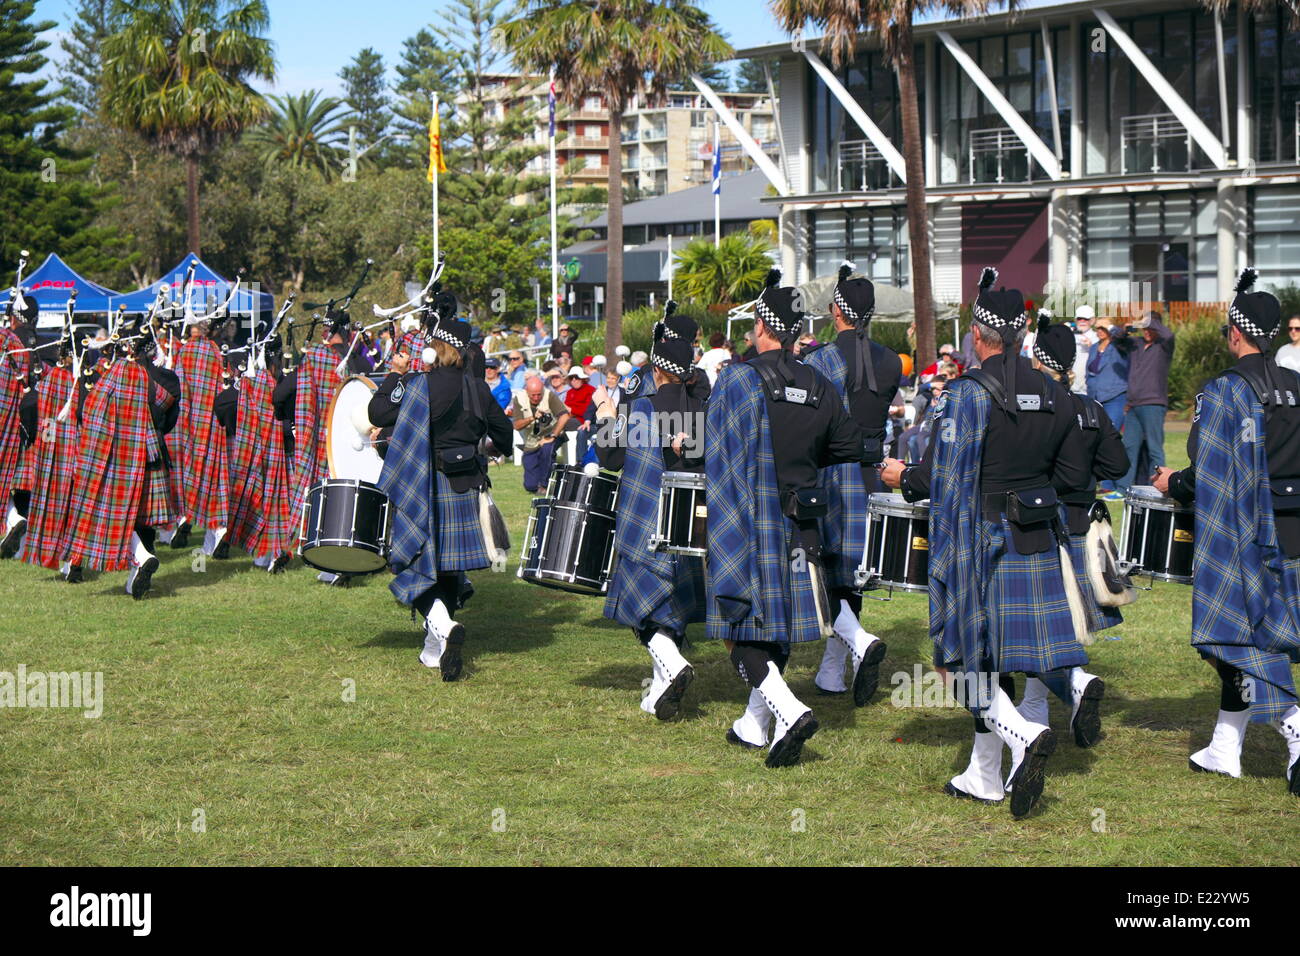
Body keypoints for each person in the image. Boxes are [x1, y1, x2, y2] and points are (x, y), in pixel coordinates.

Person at [880, 267, 1091, 817]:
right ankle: (983, 773)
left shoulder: (967, 394)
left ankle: (1021, 736)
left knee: (959, 662)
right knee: (998, 662)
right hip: (1037, 537)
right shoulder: (1055, 394)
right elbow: (1071, 475)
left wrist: (904, 477)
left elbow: (947, 476)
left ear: (979, 334)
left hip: (983, 539)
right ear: (1020, 335)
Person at [705, 269, 863, 768]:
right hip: (804, 522)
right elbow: (848, 448)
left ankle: (790, 710)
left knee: (741, 629)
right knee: (779, 628)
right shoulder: (820, 381)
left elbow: (720, 454)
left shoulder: (739, 377)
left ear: (761, 324)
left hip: (754, 523)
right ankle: (755, 725)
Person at [1154, 269, 1300, 793]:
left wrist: (1175, 483)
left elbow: (1208, 467)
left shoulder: (1224, 390)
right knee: (1261, 638)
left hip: (1245, 533)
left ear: (1236, 334)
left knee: (1240, 640)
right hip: (1295, 531)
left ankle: (1295, 729)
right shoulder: (1299, 387)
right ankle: (1224, 745)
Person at [370, 309, 514, 683]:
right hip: (464, 486)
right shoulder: (479, 389)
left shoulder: (419, 384)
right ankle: (433, 651)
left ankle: (444, 627)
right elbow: (505, 438)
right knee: (448, 570)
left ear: (435, 349)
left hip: (422, 485)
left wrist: (396, 374)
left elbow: (378, 411)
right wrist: (483, 447)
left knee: (414, 563)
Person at [1020, 311, 1129, 738]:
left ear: (1039, 362)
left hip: (1045, 525)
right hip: (1083, 525)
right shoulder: (1091, 408)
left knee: (1035, 626)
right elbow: (1116, 464)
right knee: (1050, 628)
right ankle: (1038, 712)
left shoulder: (1039, 408)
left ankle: (1075, 686)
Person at [595, 333, 707, 719]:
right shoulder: (700, 405)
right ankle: (659, 692)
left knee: (638, 608)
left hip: (644, 515)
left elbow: (610, 457)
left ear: (657, 368)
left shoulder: (639, 406)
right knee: (670, 605)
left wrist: (606, 414)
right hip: (688, 520)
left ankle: (673, 665)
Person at [802, 262, 896, 702]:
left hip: (832, 475)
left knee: (828, 576)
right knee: (849, 580)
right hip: (872, 477)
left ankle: (856, 646)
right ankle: (831, 670)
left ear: (837, 311)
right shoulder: (891, 361)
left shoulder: (821, 360)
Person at [63, 317, 180, 597]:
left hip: (116, 459)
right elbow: (170, 419)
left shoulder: (112, 378)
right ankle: (138, 575)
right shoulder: (165, 379)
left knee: (111, 514)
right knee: (143, 520)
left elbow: (86, 413)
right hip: (152, 456)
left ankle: (139, 558)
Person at [293, 308, 370, 586]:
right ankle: (342, 560)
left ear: (327, 330)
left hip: (322, 436)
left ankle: (333, 562)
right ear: (347, 330)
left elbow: (303, 404)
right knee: (345, 497)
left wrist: (304, 441)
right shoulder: (358, 360)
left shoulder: (314, 357)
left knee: (324, 497)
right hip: (351, 439)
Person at [224, 335, 295, 572]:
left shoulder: (248, 380)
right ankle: (273, 553)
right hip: (272, 450)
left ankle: (265, 555)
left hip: (251, 451)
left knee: (262, 503)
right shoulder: (266, 382)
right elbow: (271, 418)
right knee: (276, 502)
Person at [20, 333, 78, 571]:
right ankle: (72, 559)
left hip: (48, 448)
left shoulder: (50, 380)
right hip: (74, 448)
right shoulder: (79, 380)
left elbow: (31, 407)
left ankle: (53, 554)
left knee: (50, 507)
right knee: (73, 505)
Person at [175, 319, 232, 558]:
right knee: (215, 478)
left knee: (189, 478)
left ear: (192, 330)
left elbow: (180, 388)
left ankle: (184, 519)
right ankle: (216, 532)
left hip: (190, 424)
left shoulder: (184, 351)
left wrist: (180, 422)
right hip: (215, 421)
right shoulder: (216, 352)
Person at [1113, 311, 1175, 494]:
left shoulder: (1164, 346)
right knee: (1129, 447)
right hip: (1133, 405)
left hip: (1154, 404)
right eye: (1144, 328)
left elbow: (1169, 334)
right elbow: (1117, 339)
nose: (1147, 331)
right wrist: (1127, 329)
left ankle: (1156, 489)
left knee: (1154, 448)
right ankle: (1122, 489)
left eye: (1150, 327)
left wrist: (1150, 322)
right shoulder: (1136, 344)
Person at [511, 375, 569, 493]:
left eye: (539, 394)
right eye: (533, 395)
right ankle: (537, 485)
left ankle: (545, 484)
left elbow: (565, 416)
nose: (537, 397)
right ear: (527, 391)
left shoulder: (549, 395)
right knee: (530, 486)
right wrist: (532, 418)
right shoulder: (519, 399)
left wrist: (553, 436)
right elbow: (516, 426)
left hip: (551, 434)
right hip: (532, 440)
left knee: (547, 449)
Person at [1069, 305, 1097, 395]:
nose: (1082, 321)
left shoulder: (1097, 337)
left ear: (1092, 321)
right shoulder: (1069, 336)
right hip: (1072, 386)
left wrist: (1092, 346)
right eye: (1079, 318)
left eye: (1086, 319)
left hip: (1088, 387)